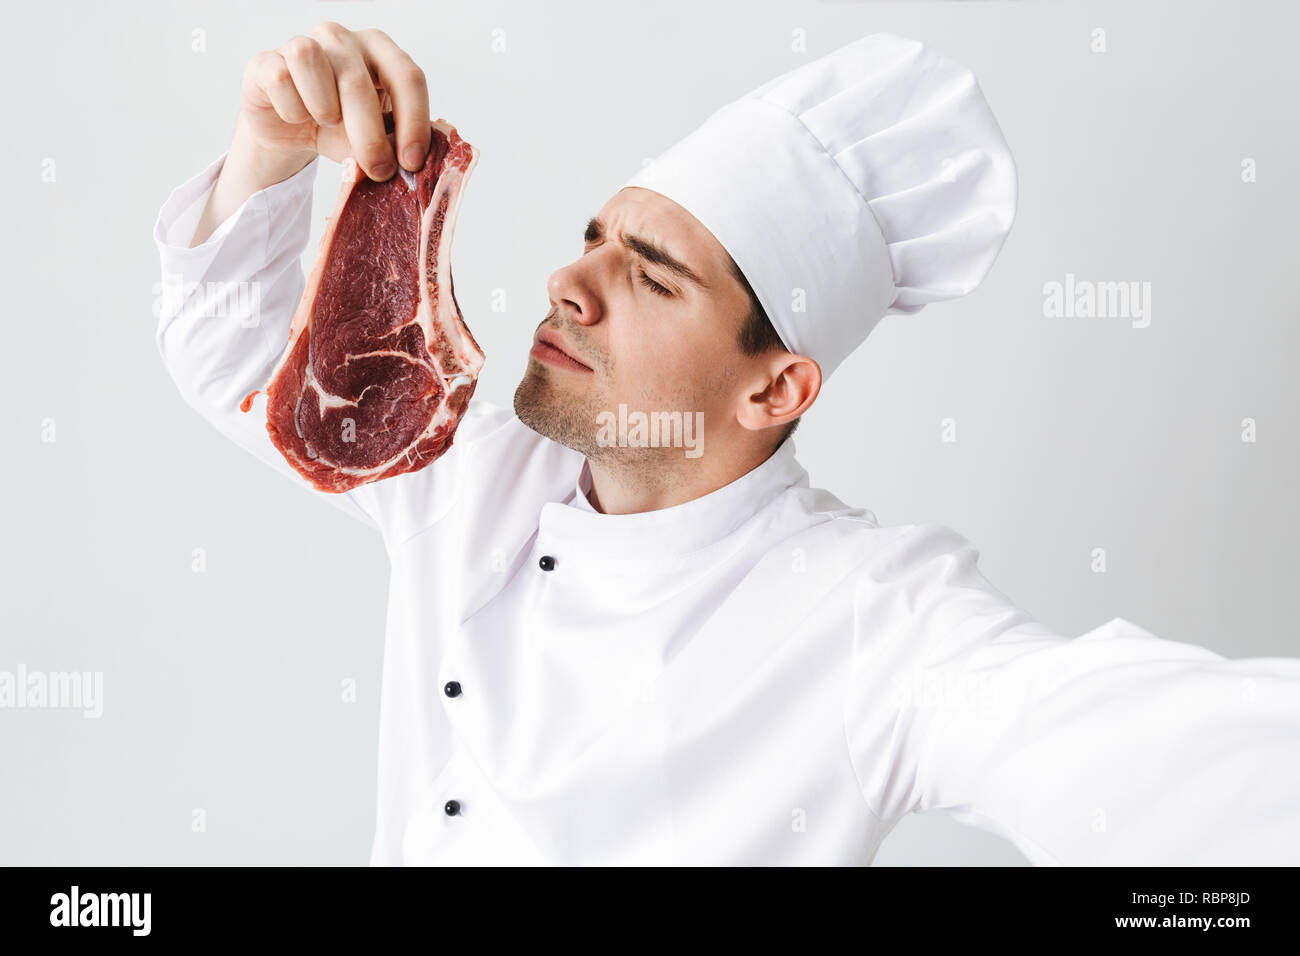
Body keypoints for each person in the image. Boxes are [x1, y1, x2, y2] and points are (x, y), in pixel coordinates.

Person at [154, 22, 1300, 866]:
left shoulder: (871, 614)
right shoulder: (467, 473)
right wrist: (270, 149)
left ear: (775, 386)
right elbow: (228, 358)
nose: (570, 282)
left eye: (649, 275)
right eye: (595, 238)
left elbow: (1122, 746)